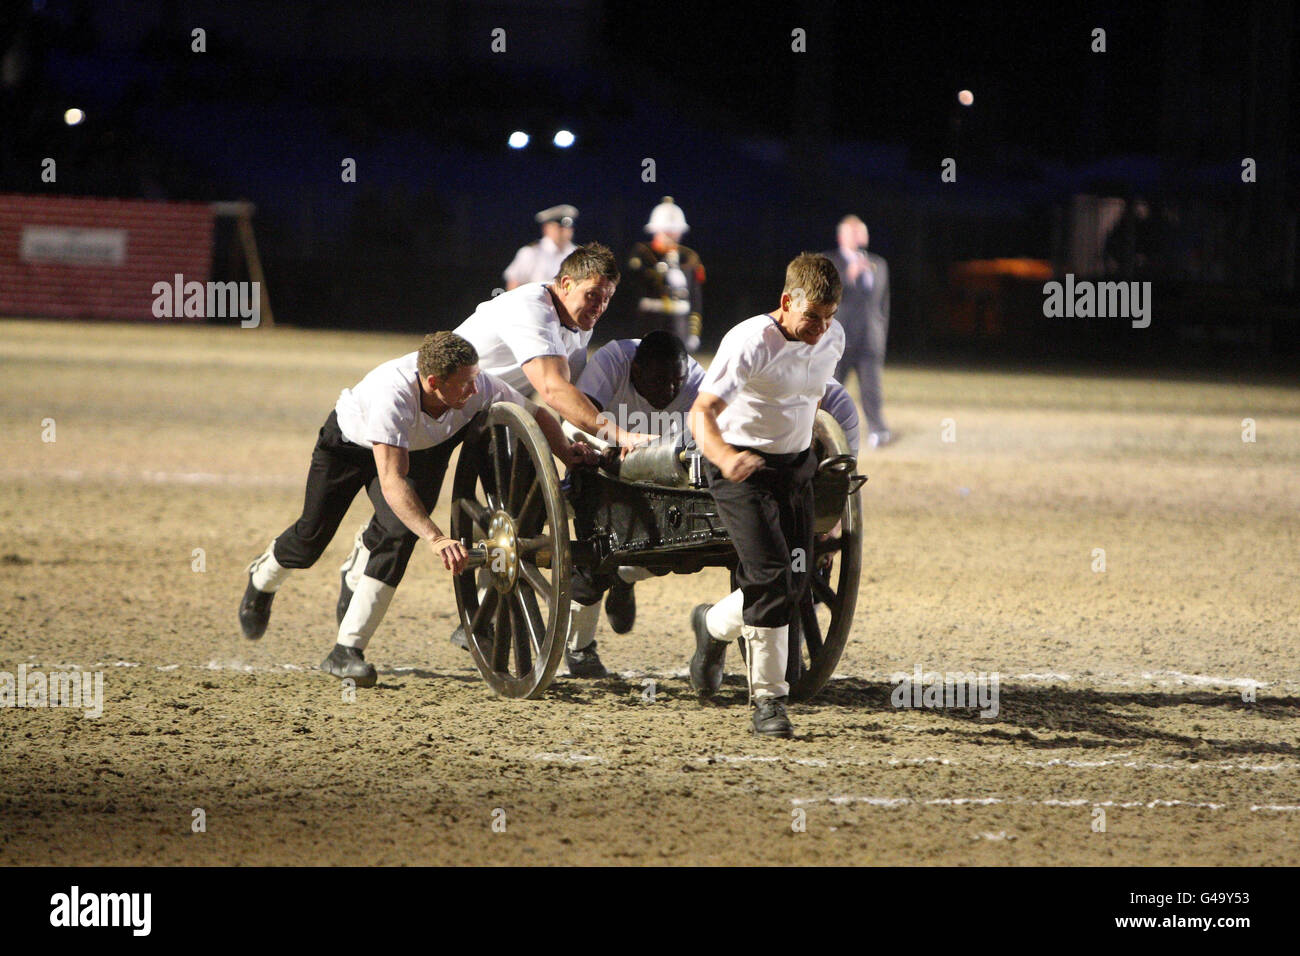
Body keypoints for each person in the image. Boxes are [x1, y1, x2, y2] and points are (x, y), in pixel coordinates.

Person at [237, 332, 598, 687]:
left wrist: (568, 453)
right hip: (350, 449)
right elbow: (392, 480)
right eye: (464, 385)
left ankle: (346, 651)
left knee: (397, 534)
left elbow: (535, 415)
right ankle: (263, 577)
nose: (475, 391)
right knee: (310, 540)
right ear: (432, 382)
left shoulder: (479, 384)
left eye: (475, 381)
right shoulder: (391, 395)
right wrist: (437, 537)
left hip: (423, 452)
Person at [442, 242, 654, 674]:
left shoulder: (578, 320)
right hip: (447, 403)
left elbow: (562, 396)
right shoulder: (531, 307)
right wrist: (614, 433)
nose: (598, 307)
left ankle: (481, 619)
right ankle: (361, 571)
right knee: (404, 517)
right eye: (592, 295)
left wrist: (576, 446)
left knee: (525, 510)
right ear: (564, 283)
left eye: (607, 299)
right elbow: (555, 390)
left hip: (497, 411)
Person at [685, 253, 844, 738]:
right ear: (786, 302)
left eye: (829, 316)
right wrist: (727, 458)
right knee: (772, 577)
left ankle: (712, 625)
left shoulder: (833, 337)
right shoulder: (751, 341)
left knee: (797, 580)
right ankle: (769, 703)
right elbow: (701, 412)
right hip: (740, 469)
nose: (820, 327)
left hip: (795, 470)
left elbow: (811, 400)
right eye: (811, 316)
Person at [825, 215, 891, 447]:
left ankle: (878, 430)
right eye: (851, 232)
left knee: (872, 390)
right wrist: (848, 276)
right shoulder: (828, 262)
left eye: (860, 231)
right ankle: (825, 430)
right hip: (838, 338)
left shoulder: (879, 263)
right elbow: (824, 295)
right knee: (832, 389)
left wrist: (880, 334)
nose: (858, 236)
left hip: (869, 339)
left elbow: (883, 304)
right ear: (841, 236)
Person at [626, 197, 706, 353]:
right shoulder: (642, 253)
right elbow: (633, 286)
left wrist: (694, 332)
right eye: (667, 231)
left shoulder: (688, 257)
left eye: (675, 231)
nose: (672, 235)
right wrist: (658, 271)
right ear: (655, 230)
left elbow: (695, 298)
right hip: (649, 322)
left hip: (680, 325)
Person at [503, 204, 578, 289]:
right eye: (560, 227)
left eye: (568, 227)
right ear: (546, 228)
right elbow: (514, 283)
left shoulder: (576, 253)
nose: (565, 231)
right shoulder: (531, 252)